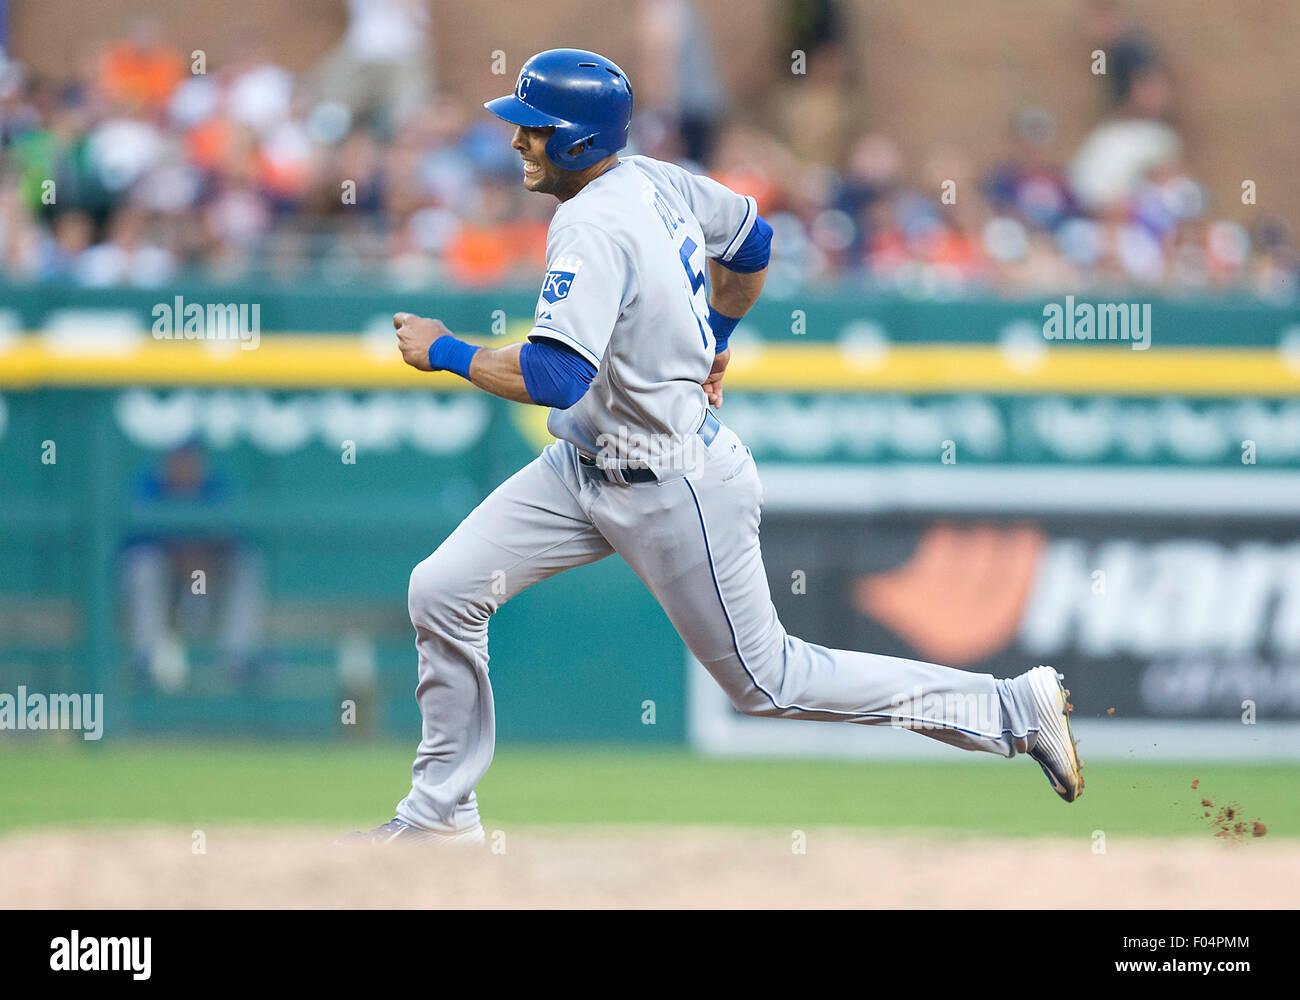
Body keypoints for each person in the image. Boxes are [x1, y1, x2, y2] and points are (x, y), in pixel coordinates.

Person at [352, 49, 1082, 845]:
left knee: (769, 682)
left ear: (574, 143)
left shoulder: (592, 221)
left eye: (533, 129)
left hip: (672, 481)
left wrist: (447, 350)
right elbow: (752, 240)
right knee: (442, 590)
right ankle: (440, 818)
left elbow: (557, 374)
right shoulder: (654, 180)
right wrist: (716, 339)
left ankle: (1009, 709)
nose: (518, 142)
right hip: (582, 466)